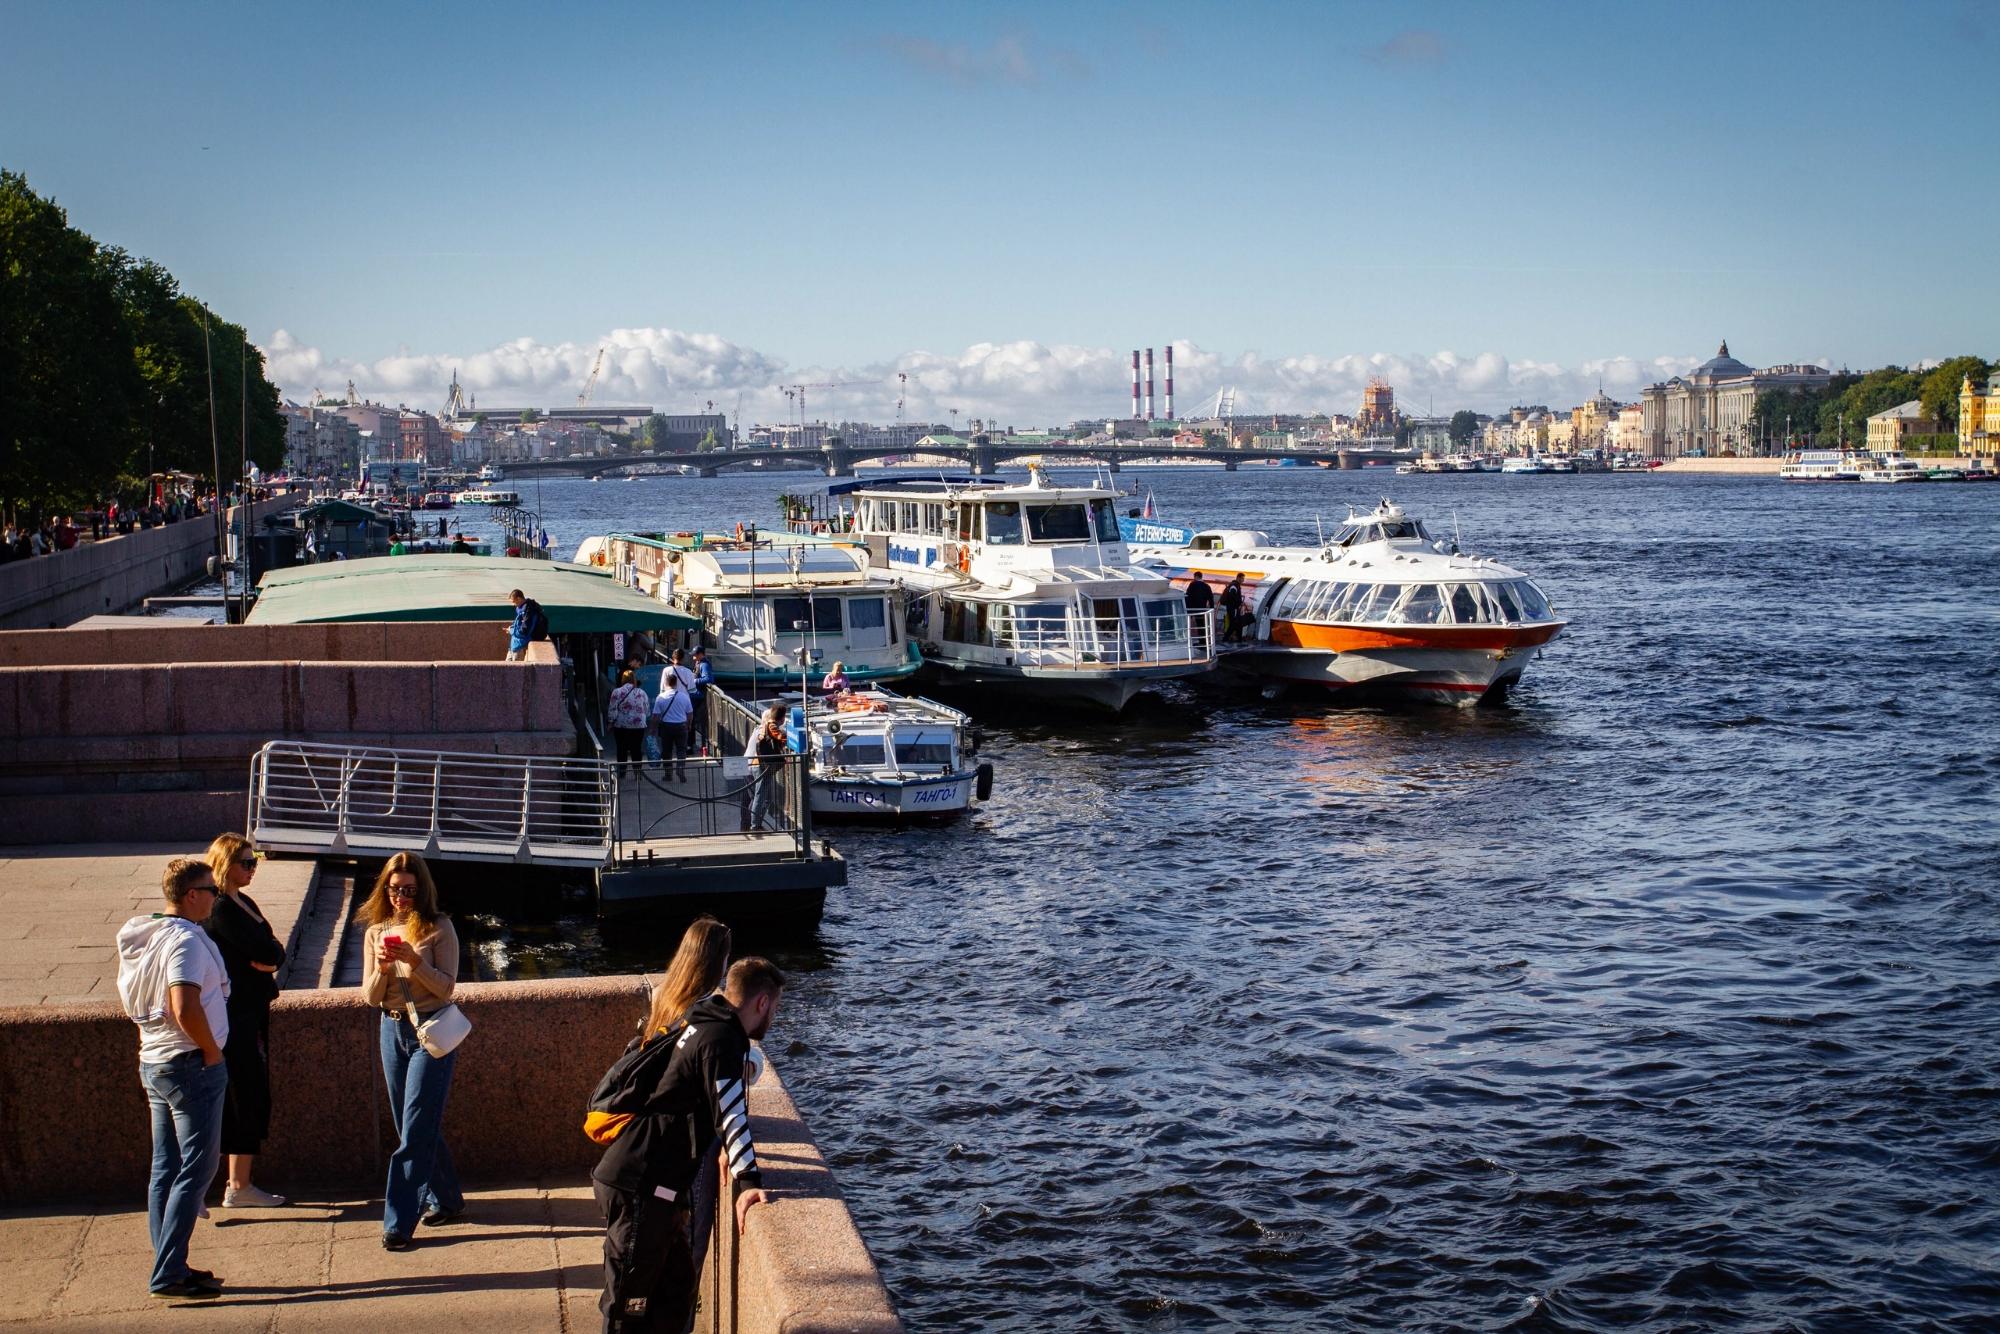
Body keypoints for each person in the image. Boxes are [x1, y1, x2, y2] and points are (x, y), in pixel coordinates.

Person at [592, 957, 784, 1334]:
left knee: (676, 1293)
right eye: (775, 1008)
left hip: (658, 1186)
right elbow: (731, 1111)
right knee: (628, 1305)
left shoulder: (702, 1017)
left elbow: (705, 1102)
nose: (773, 1018)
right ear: (761, 1003)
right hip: (640, 1186)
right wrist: (748, 1182)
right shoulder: (722, 1039)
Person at [115, 857, 229, 1300]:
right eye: (212, 890)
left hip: (155, 1060)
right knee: (196, 1168)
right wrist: (213, 1051)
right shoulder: (186, 942)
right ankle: (167, 1273)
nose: (216, 898)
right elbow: (184, 1005)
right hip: (190, 1065)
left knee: (165, 1168)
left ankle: (172, 1262)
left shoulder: (146, 933)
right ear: (191, 895)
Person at [359, 853, 465, 1251]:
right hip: (391, 1028)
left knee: (416, 1127)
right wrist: (383, 970)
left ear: (422, 891)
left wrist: (415, 963)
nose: (401, 897)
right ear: (384, 889)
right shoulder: (375, 931)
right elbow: (369, 997)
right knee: (413, 1126)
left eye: (409, 890)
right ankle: (449, 1200)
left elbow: (446, 988)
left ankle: (398, 1222)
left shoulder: (439, 927)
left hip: (430, 1031)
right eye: (394, 889)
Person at [202, 835, 287, 1210]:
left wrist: (270, 960)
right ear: (226, 865)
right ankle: (236, 1185)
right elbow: (266, 949)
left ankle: (240, 1183)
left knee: (251, 1093)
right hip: (236, 1016)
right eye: (246, 863)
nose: (252, 869)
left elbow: (275, 951)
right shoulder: (221, 908)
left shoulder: (243, 902)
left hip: (251, 1010)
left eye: (255, 863)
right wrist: (268, 959)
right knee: (243, 1094)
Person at [741, 705, 790, 832]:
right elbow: (780, 737)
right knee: (760, 797)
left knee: (757, 797)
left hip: (749, 764)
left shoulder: (758, 729)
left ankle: (747, 825)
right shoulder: (770, 727)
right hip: (758, 765)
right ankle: (754, 826)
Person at [651, 670, 694, 782]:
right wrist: (689, 725)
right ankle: (680, 769)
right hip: (681, 726)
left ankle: (668, 774)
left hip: (666, 727)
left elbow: (655, 716)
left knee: (667, 751)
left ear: (666, 683)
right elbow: (690, 713)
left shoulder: (660, 697)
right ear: (676, 683)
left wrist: (653, 729)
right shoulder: (684, 696)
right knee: (681, 750)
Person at [608, 670, 651, 779]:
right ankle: (637, 773)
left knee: (621, 749)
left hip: (621, 726)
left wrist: (611, 721)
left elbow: (612, 709)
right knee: (636, 749)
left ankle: (622, 773)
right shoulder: (641, 692)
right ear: (634, 679)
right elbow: (647, 710)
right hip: (638, 726)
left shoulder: (617, 692)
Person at [506, 588, 547, 662]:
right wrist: (512, 628)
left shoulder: (528, 611)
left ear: (518, 599)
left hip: (521, 645)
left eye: (514, 602)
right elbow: (519, 624)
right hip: (516, 644)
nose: (514, 605)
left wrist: (511, 630)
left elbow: (524, 631)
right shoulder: (522, 608)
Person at [688, 647, 713, 750]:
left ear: (701, 654)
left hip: (697, 696)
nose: (693, 657)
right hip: (695, 694)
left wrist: (694, 681)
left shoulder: (704, 665)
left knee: (691, 720)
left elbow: (709, 679)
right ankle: (690, 742)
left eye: (695, 655)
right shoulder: (699, 663)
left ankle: (690, 744)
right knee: (691, 720)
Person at [1219, 575, 1247, 643]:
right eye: (1242, 578)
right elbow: (1232, 595)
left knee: (1237, 623)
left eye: (1243, 579)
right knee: (1234, 623)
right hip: (1233, 608)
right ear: (1238, 578)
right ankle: (1226, 638)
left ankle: (1238, 638)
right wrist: (1239, 603)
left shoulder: (1235, 585)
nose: (1243, 580)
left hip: (1233, 607)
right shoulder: (1234, 585)